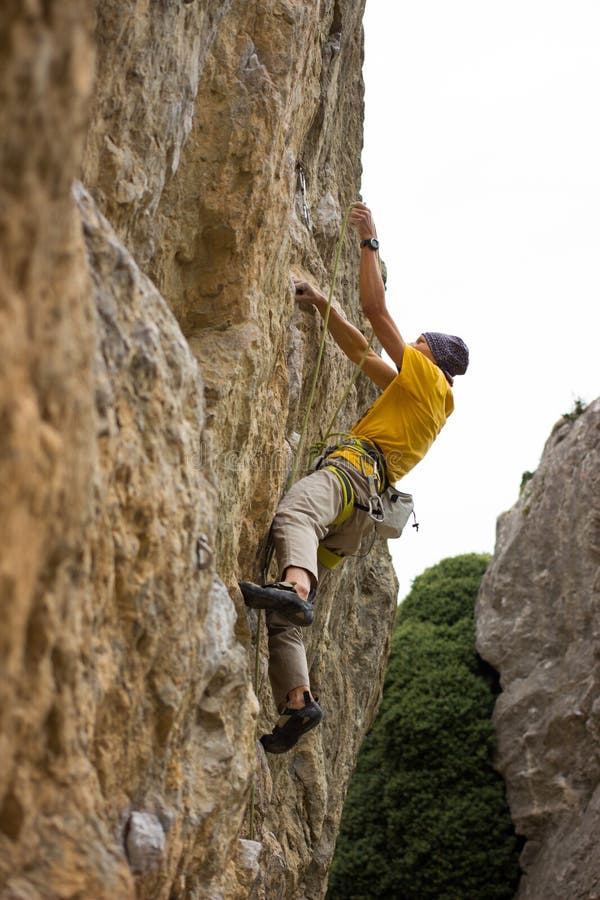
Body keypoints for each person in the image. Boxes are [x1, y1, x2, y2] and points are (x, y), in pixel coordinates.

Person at [240, 202, 469, 754]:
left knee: (295, 513)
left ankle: (294, 587)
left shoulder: (428, 380)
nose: (407, 347)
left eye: (415, 345)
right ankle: (299, 702)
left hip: (353, 478)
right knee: (286, 623)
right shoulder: (421, 398)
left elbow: (375, 312)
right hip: (361, 519)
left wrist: (369, 241)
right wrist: (323, 308)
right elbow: (363, 349)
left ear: (429, 356)